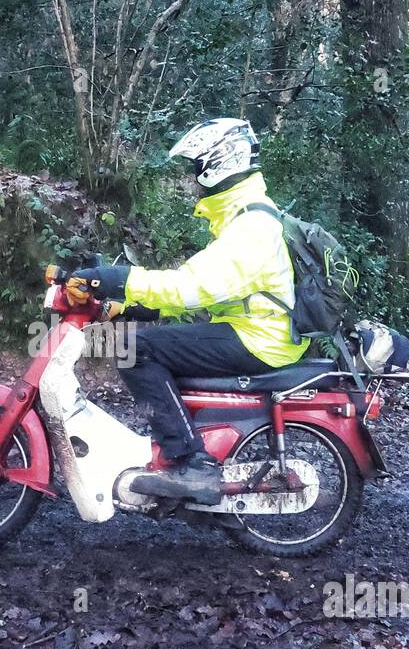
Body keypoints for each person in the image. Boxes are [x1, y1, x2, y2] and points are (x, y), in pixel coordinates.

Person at [67, 118, 307, 503]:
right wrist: (131, 306)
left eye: (196, 168)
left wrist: (116, 279)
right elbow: (207, 289)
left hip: (260, 339)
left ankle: (192, 464)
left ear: (218, 165)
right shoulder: (243, 217)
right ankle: (185, 447)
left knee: (136, 351)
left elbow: (191, 288)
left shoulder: (251, 227)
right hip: (256, 331)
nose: (194, 179)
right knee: (152, 344)